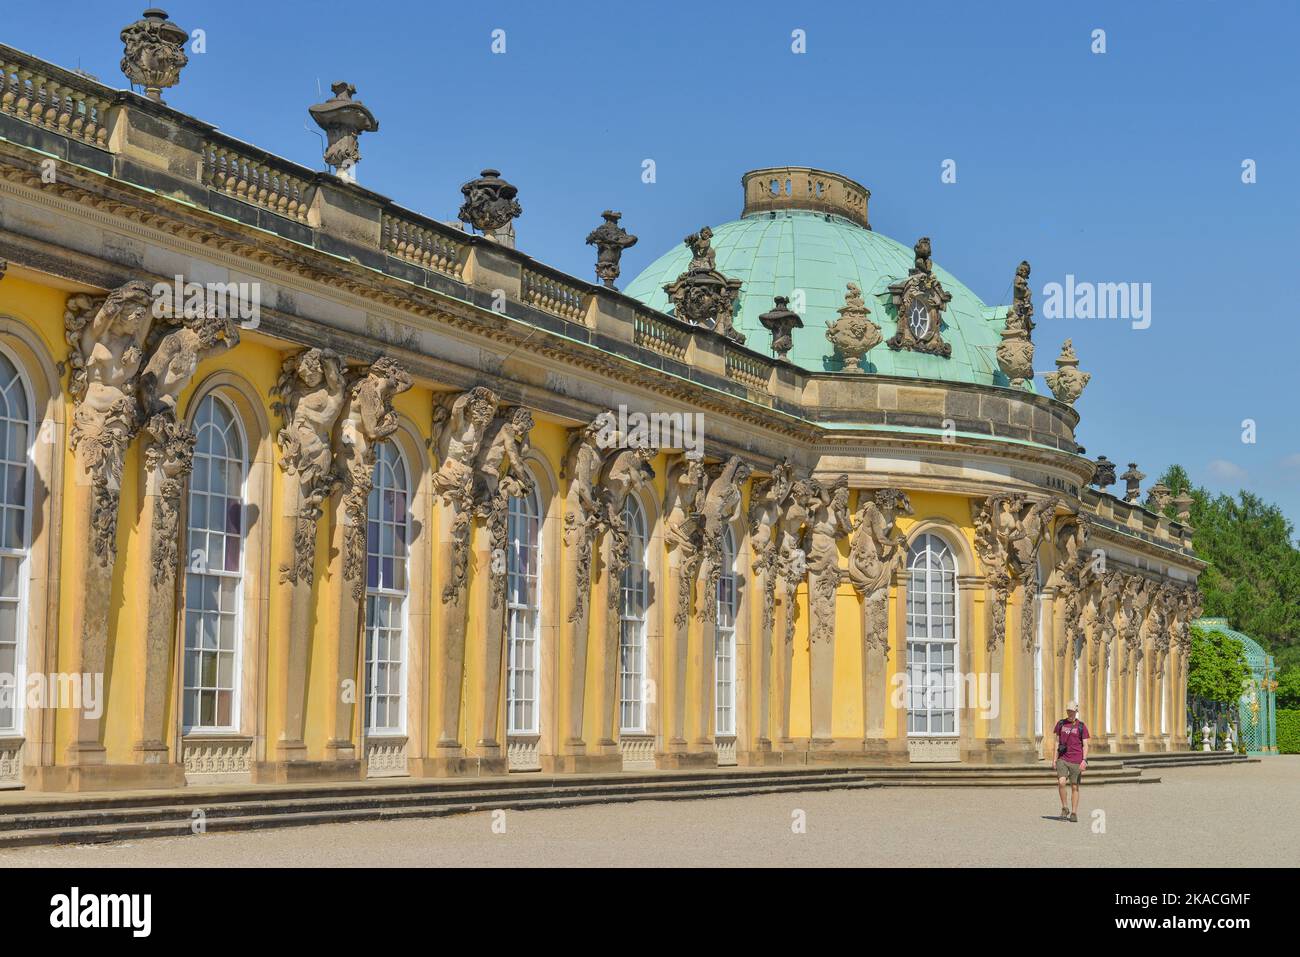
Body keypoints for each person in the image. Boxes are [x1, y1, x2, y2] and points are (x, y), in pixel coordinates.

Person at [1054, 701, 1089, 822]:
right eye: (1068, 710)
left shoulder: (1081, 726)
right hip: (1063, 758)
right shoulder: (1061, 724)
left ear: (1076, 711)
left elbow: (1085, 745)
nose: (1069, 713)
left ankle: (1074, 812)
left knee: (1075, 786)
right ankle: (1064, 807)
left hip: (1076, 760)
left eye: (1072, 711)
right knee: (1061, 782)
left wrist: (1084, 760)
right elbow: (1057, 743)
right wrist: (1054, 759)